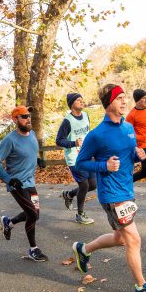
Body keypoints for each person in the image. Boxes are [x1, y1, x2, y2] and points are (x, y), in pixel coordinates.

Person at [71, 84, 146, 292]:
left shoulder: (127, 128)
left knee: (121, 238)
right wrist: (104, 166)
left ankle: (83, 249)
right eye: (120, 98)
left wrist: (137, 156)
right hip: (112, 194)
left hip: (126, 190)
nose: (124, 102)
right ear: (109, 103)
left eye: (125, 98)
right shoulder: (96, 135)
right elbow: (81, 163)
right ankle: (141, 287)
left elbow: (126, 158)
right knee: (134, 239)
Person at [0, 105, 47, 262]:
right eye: (24, 116)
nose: (28, 118)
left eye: (29, 115)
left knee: (35, 213)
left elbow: (28, 153)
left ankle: (8, 222)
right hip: (17, 184)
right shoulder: (9, 140)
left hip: (30, 181)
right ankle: (33, 249)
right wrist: (9, 179)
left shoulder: (32, 134)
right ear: (15, 119)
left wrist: (37, 160)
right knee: (32, 214)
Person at [56, 93, 96, 224]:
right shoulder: (67, 121)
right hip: (75, 158)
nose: (81, 101)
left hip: (88, 155)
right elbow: (59, 140)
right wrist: (74, 143)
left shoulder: (86, 116)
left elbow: (88, 134)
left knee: (93, 185)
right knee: (84, 185)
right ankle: (80, 214)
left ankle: (69, 194)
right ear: (72, 104)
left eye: (82, 99)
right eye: (78, 100)